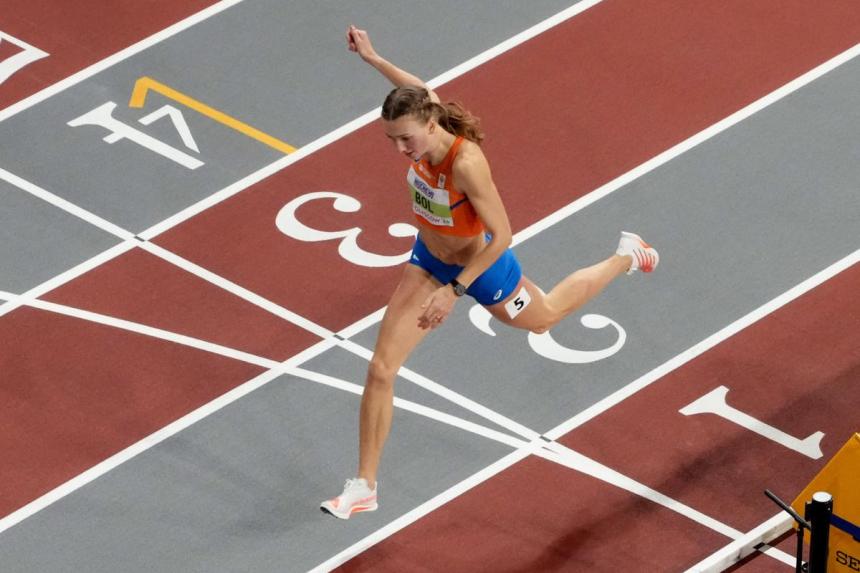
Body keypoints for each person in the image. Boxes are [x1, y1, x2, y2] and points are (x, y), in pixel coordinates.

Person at [321, 25, 659, 520]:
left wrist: (455, 291)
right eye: (391, 140)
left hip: (480, 267)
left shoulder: (467, 163)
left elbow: (503, 234)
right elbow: (414, 85)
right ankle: (364, 485)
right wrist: (373, 57)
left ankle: (626, 255)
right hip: (428, 258)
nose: (399, 150)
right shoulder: (423, 112)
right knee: (380, 368)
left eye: (405, 140)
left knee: (543, 318)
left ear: (431, 126)